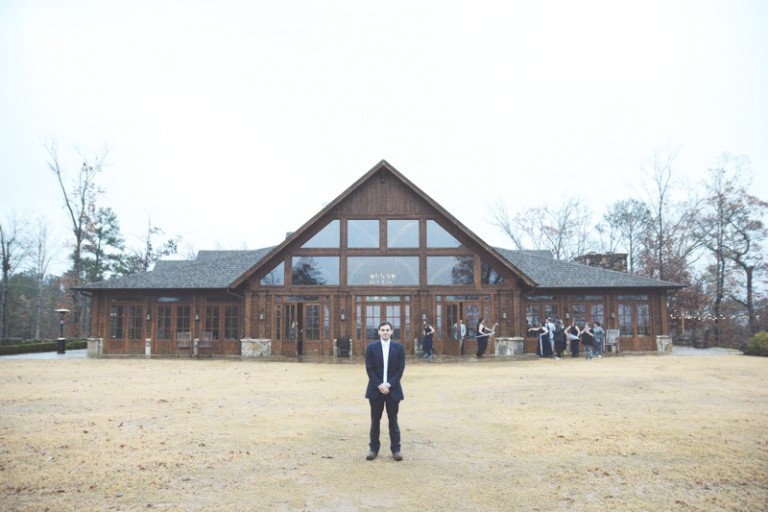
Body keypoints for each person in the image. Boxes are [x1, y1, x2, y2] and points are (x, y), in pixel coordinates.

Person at [365, 321, 406, 462]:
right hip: (376, 390)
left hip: (393, 390)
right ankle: (373, 449)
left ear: (392, 331)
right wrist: (380, 385)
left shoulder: (399, 348)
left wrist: (388, 384)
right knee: (375, 420)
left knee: (393, 420)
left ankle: (396, 449)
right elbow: (369, 369)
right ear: (378, 332)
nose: (385, 332)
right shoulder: (371, 347)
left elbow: (400, 369)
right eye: (382, 330)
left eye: (387, 330)